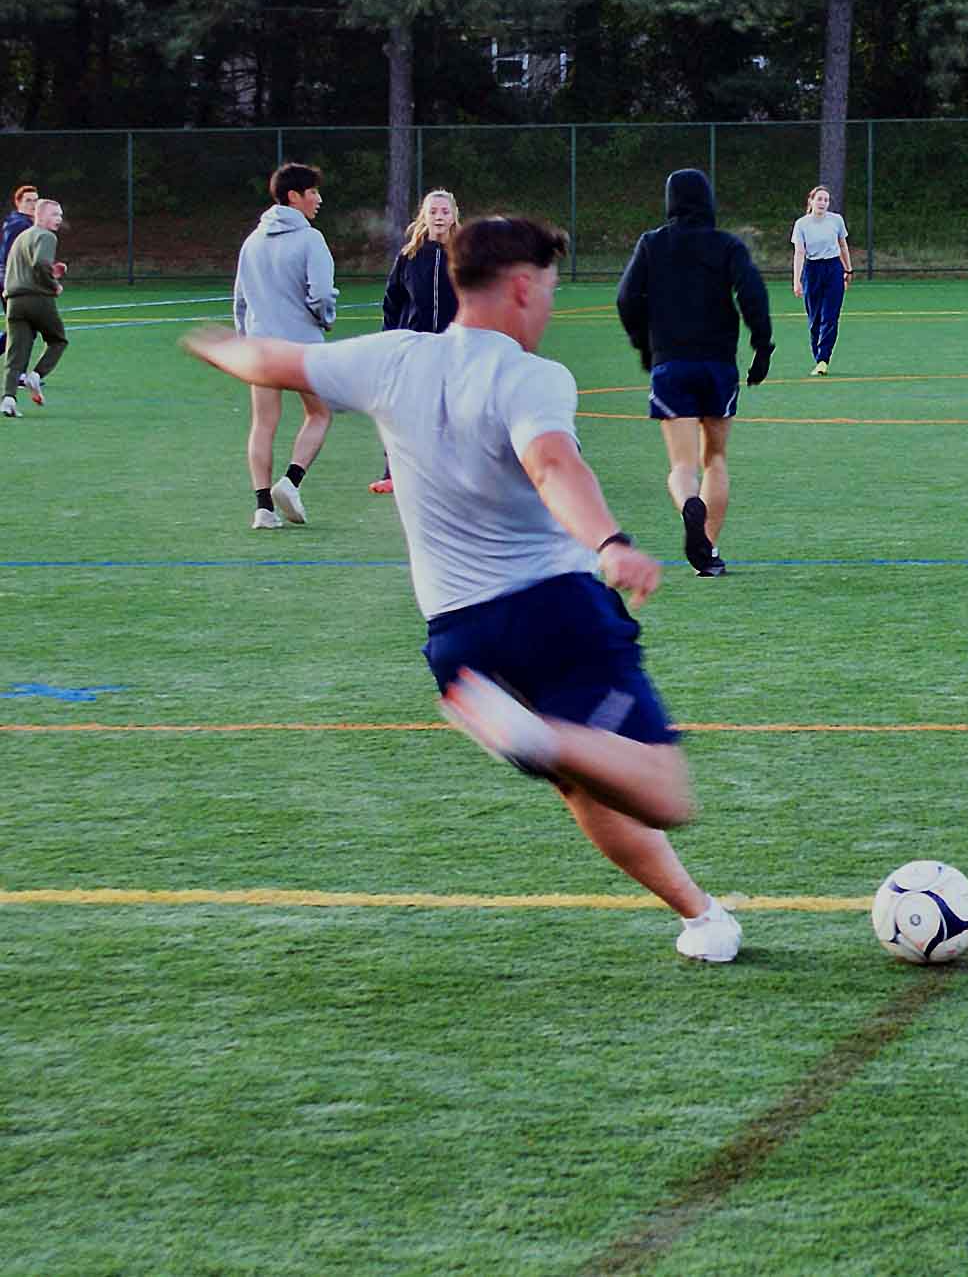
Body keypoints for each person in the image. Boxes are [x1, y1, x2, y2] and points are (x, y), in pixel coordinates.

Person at [182, 216, 741, 963]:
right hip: (555, 612)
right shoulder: (531, 375)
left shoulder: (391, 358)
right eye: (546, 288)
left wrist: (212, 342)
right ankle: (537, 735)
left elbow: (266, 358)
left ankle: (700, 916)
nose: (548, 305)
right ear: (519, 285)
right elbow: (552, 465)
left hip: (456, 640)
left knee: (582, 782)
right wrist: (609, 541)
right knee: (664, 790)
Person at [616, 168, 773, 577]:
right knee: (716, 458)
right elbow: (752, 292)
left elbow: (627, 299)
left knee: (682, 467)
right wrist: (762, 347)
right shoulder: (726, 246)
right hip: (718, 364)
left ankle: (689, 506)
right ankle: (710, 551)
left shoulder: (651, 245)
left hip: (672, 364)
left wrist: (645, 345)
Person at [232, 162, 338, 529]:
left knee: (263, 423)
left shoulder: (252, 242)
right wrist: (323, 318)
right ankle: (290, 482)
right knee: (320, 413)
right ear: (295, 197)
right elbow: (322, 293)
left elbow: (240, 302)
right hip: (301, 348)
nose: (318, 200)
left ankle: (263, 508)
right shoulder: (311, 239)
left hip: (260, 348)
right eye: (313, 193)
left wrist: (246, 343)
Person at [372, 189, 461, 493]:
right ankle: (393, 471)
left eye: (444, 212)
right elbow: (392, 302)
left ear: (453, 217)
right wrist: (390, 342)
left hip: (454, 348)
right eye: (433, 211)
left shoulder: (465, 257)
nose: (439, 217)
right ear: (424, 216)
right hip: (414, 347)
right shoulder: (409, 256)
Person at [2, 198, 68, 419]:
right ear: (39, 216)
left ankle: (8, 399)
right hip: (37, 299)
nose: (59, 219)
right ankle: (36, 376)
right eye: (54, 214)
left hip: (13, 301)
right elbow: (40, 262)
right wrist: (53, 284)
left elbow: (26, 266)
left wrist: (51, 271)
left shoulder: (21, 238)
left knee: (15, 354)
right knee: (58, 340)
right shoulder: (46, 236)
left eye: (60, 215)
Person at [789, 185, 854, 376]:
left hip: (833, 268)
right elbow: (799, 253)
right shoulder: (802, 224)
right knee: (815, 318)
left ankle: (823, 359)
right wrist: (797, 280)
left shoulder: (836, 221)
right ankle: (817, 354)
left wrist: (848, 269)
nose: (823, 203)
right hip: (812, 270)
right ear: (811, 201)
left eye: (826, 200)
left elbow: (843, 245)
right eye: (819, 199)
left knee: (830, 316)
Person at [0, 184, 36, 274]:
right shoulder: (19, 224)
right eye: (28, 201)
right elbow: (7, 254)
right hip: (13, 276)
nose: (33, 204)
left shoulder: (17, 220)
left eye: (35, 200)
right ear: (18, 202)